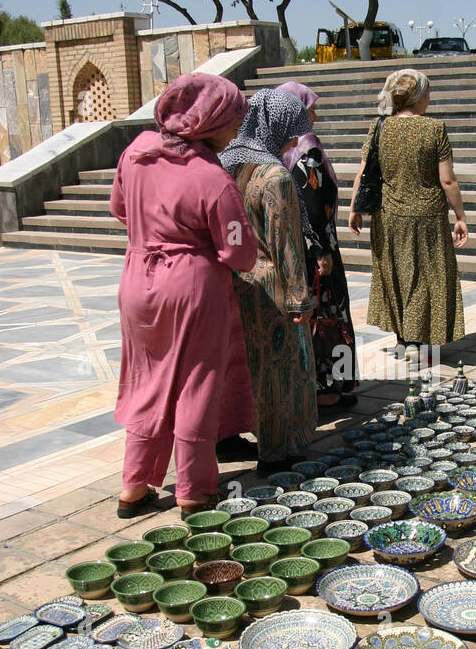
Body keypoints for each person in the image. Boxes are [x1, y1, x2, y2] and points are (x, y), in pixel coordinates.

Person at [110, 73, 257, 519]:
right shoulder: (211, 177)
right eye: (232, 120)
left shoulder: (135, 152)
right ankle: (194, 490)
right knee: (196, 382)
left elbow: (119, 209)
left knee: (147, 380)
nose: (236, 129)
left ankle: (134, 486)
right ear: (209, 122)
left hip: (138, 280)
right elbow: (239, 253)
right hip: (191, 286)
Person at [220, 89, 318, 473]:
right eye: (294, 129)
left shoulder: (225, 165)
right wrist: (300, 299)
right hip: (271, 287)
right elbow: (287, 244)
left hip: (235, 281)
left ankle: (233, 439)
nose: (296, 139)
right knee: (278, 372)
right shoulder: (274, 176)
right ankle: (277, 453)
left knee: (246, 369)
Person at [349, 68, 468, 364]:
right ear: (418, 97)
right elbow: (448, 180)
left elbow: (363, 172)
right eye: (427, 93)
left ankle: (404, 339)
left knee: (396, 274)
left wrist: (353, 208)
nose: (430, 98)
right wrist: (461, 216)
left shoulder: (379, 127)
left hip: (387, 214)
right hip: (427, 215)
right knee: (423, 276)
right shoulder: (434, 128)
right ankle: (414, 340)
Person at [278, 80, 358, 411]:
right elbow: (315, 203)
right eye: (310, 108)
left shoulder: (284, 147)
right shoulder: (307, 150)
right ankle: (329, 387)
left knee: (321, 318)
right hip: (318, 247)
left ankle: (321, 384)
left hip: (303, 246)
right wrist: (323, 249)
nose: (315, 114)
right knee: (330, 317)